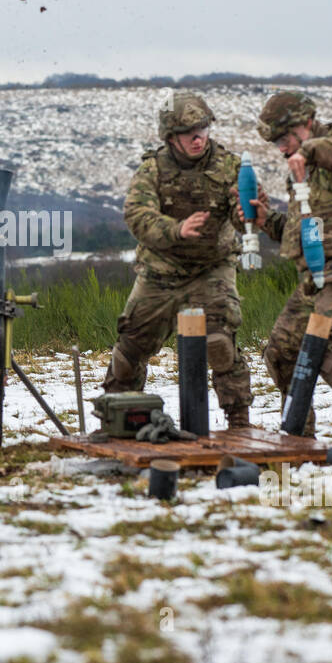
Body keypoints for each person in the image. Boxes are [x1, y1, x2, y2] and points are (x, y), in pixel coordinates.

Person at [239, 91, 332, 449]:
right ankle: (298, 442)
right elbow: (302, 232)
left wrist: (307, 152)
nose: (280, 149)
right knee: (282, 353)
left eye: (284, 139)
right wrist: (266, 221)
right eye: (276, 142)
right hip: (316, 278)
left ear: (305, 124)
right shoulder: (301, 170)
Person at [101, 91, 254, 428]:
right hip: (161, 271)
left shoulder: (231, 167)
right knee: (128, 353)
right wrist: (175, 229)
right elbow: (137, 214)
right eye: (189, 133)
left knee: (219, 344)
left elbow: (245, 216)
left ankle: (239, 422)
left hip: (212, 268)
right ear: (171, 137)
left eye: (202, 129)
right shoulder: (153, 169)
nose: (198, 138)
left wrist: (248, 212)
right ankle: (116, 420)